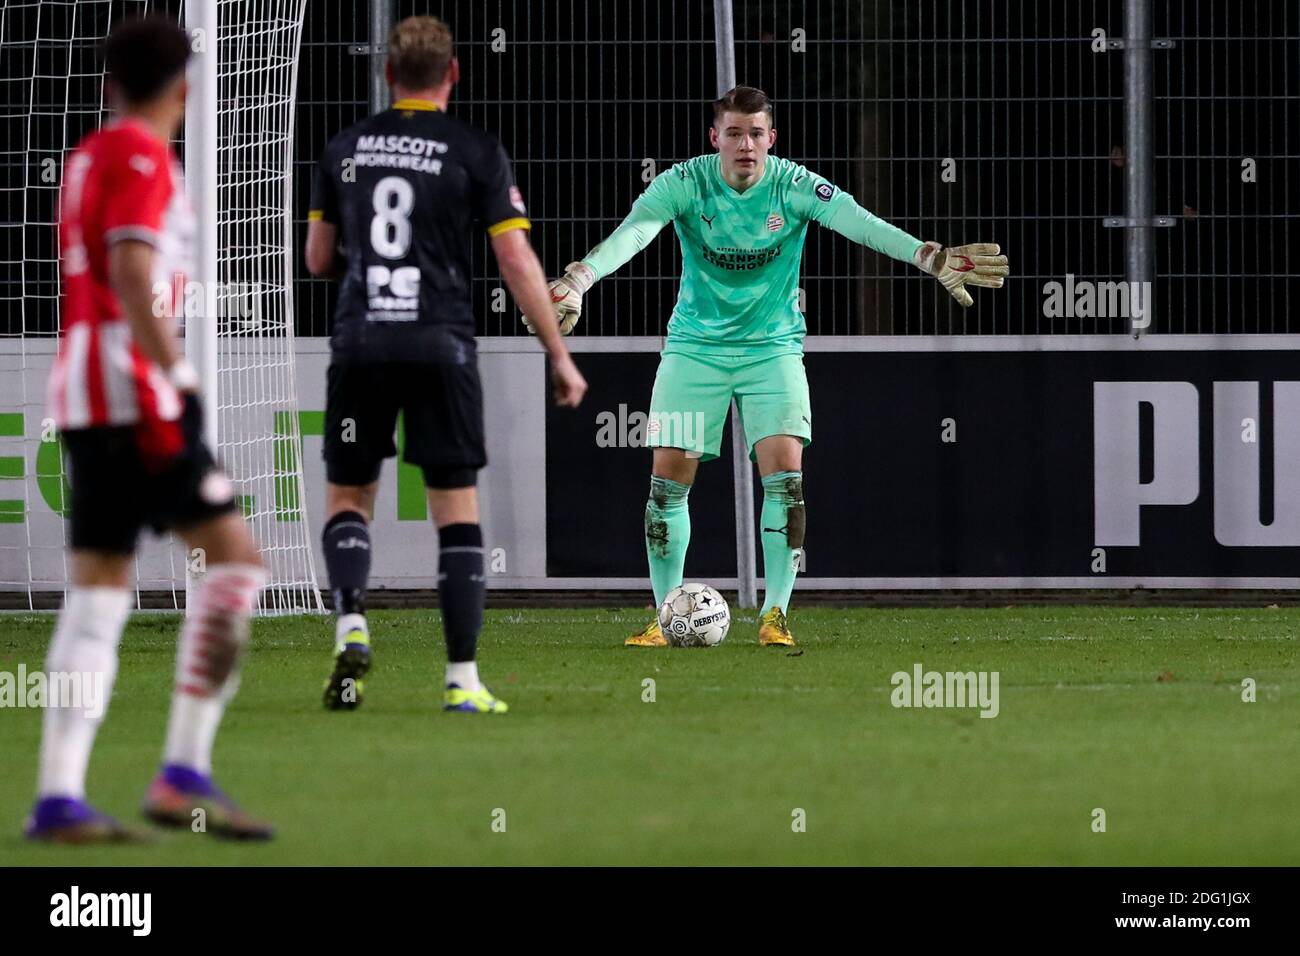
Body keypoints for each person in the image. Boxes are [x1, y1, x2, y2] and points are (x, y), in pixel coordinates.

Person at [538, 86, 1008, 647]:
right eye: (733, 133)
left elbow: (860, 222)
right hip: (695, 352)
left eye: (755, 133)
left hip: (772, 351)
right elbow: (634, 232)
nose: (745, 144)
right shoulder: (684, 184)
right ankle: (666, 616)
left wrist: (927, 256)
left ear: (771, 138)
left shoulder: (795, 185)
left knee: (786, 481)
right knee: (667, 487)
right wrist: (578, 279)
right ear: (715, 138)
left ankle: (774, 615)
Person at [28, 16, 272, 842]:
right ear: (184, 89)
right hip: (136, 395)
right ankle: (182, 774)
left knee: (98, 592)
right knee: (235, 563)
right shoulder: (140, 156)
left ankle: (59, 795)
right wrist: (176, 376)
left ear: (108, 84)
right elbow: (133, 272)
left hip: (85, 394)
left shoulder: (88, 154)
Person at [305, 16, 586, 713]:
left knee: (349, 498)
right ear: (453, 73)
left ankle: (351, 625)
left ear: (387, 75)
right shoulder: (473, 150)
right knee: (454, 511)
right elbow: (515, 259)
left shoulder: (345, 148)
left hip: (362, 344)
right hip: (441, 345)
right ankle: (462, 681)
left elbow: (316, 260)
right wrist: (558, 353)